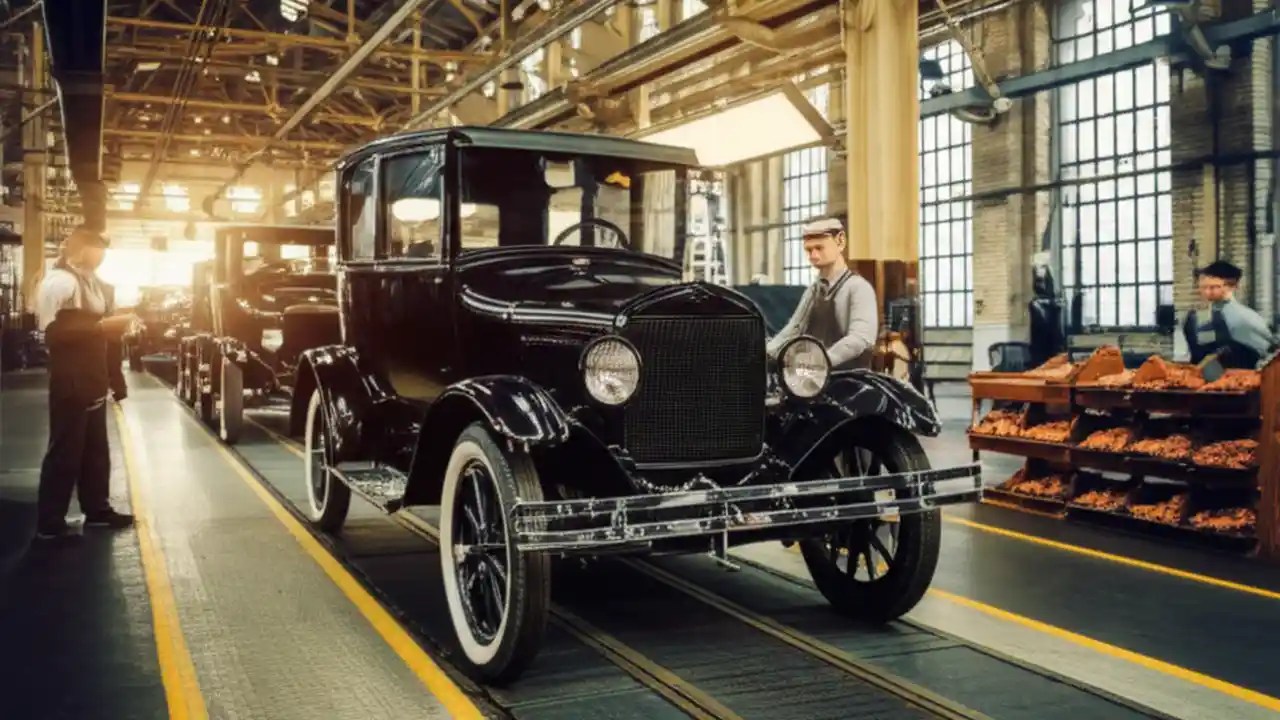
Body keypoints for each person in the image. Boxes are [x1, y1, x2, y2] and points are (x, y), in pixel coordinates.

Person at [33, 226, 136, 542]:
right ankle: (50, 523)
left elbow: (102, 334)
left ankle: (97, 511)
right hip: (71, 378)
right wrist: (100, 326)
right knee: (66, 450)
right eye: (96, 249)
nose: (101, 255)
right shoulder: (60, 283)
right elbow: (51, 333)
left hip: (92, 377)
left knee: (95, 449)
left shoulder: (93, 282)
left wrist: (113, 378)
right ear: (80, 250)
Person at [766, 216, 878, 370]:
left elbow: (860, 338)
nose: (813, 256)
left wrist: (821, 361)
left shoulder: (858, 288)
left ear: (840, 241)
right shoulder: (812, 292)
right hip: (814, 378)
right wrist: (766, 353)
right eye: (809, 250)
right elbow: (793, 329)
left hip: (851, 380)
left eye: (819, 248)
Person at [1182, 260, 1278, 369]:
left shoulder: (1244, 318)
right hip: (1200, 380)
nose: (1207, 292)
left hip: (1242, 380)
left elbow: (1270, 356)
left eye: (1213, 287)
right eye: (1204, 287)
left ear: (1232, 286)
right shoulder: (1195, 318)